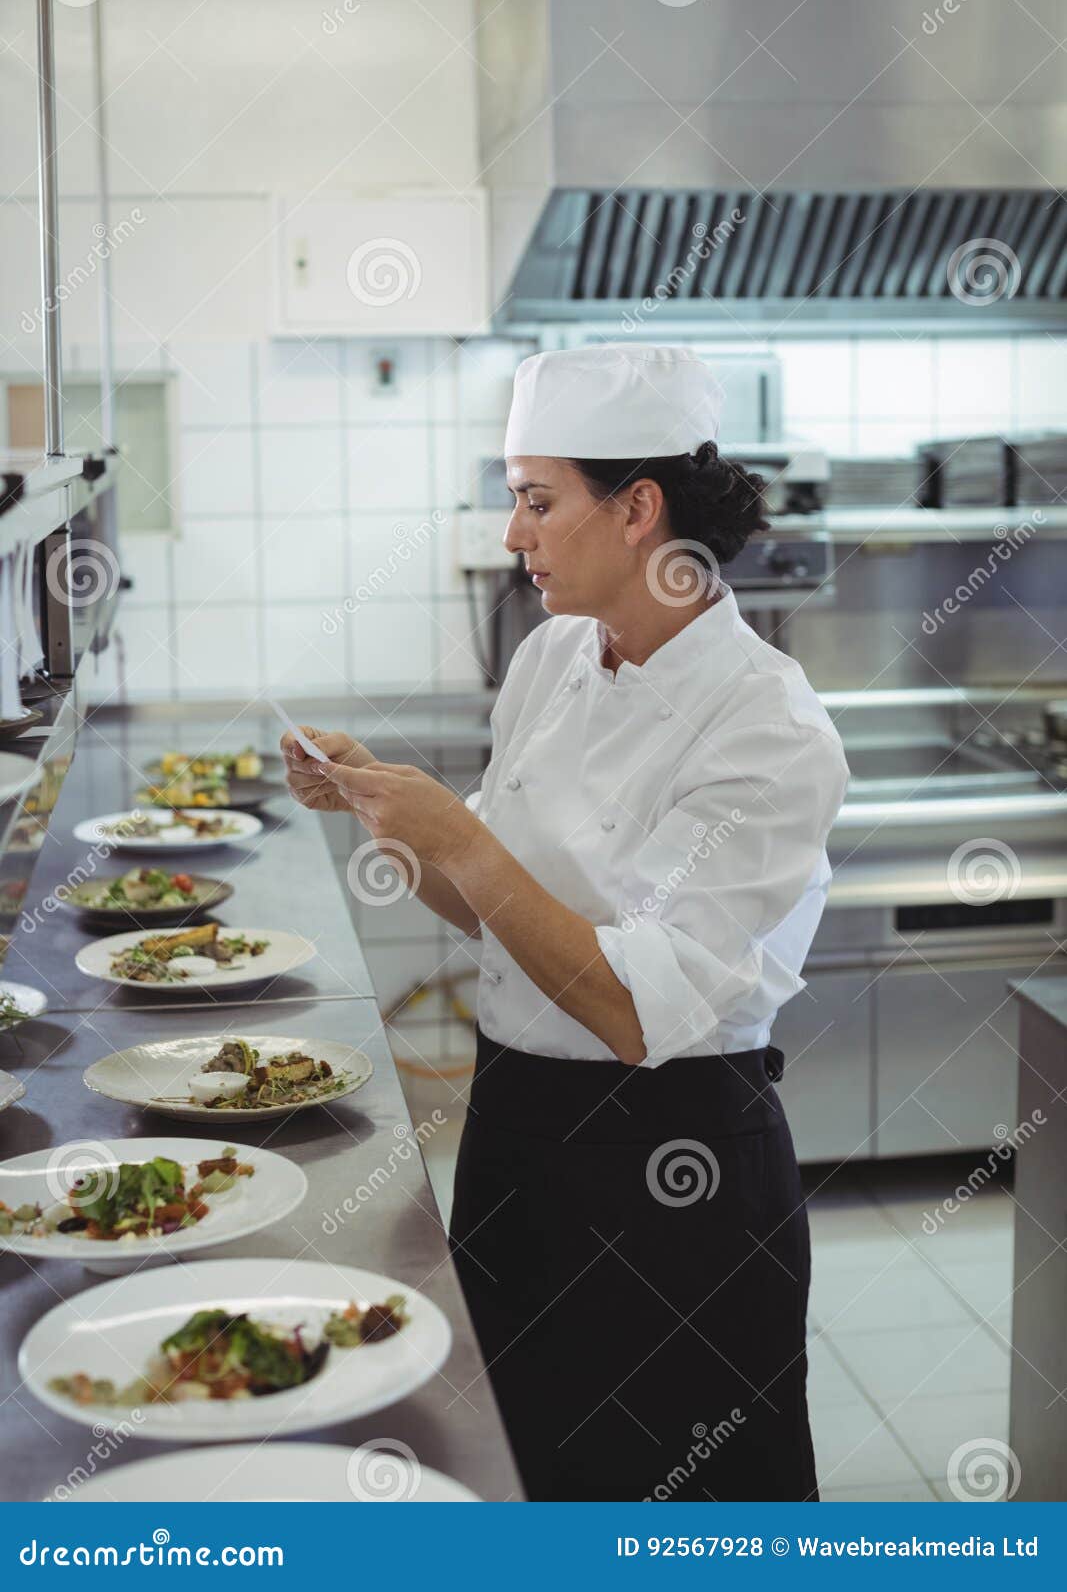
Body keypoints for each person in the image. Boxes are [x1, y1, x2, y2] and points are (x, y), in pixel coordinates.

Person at [282, 342, 849, 1501]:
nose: (512, 535)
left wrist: (457, 835)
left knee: (680, 1503)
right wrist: (385, 812)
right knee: (526, 1476)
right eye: (513, 501)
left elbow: (629, 1008)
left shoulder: (764, 727)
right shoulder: (550, 657)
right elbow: (492, 911)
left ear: (638, 508)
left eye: (537, 502)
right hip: (517, 1136)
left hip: (669, 1169)